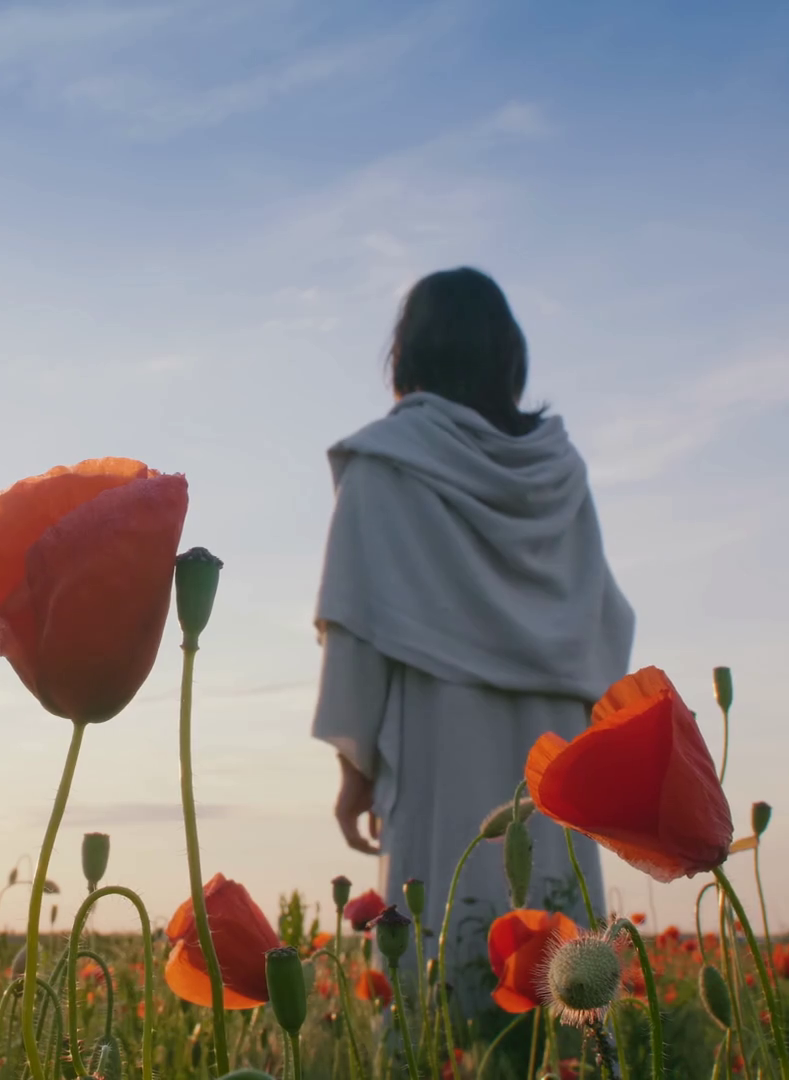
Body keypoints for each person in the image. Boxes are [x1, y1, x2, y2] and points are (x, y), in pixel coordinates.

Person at [311, 267, 634, 995]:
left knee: (442, 960)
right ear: (508, 357)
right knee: (563, 981)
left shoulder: (387, 464)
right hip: (557, 758)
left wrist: (353, 774)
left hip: (439, 745)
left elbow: (355, 629)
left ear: (407, 355)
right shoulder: (558, 470)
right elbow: (602, 619)